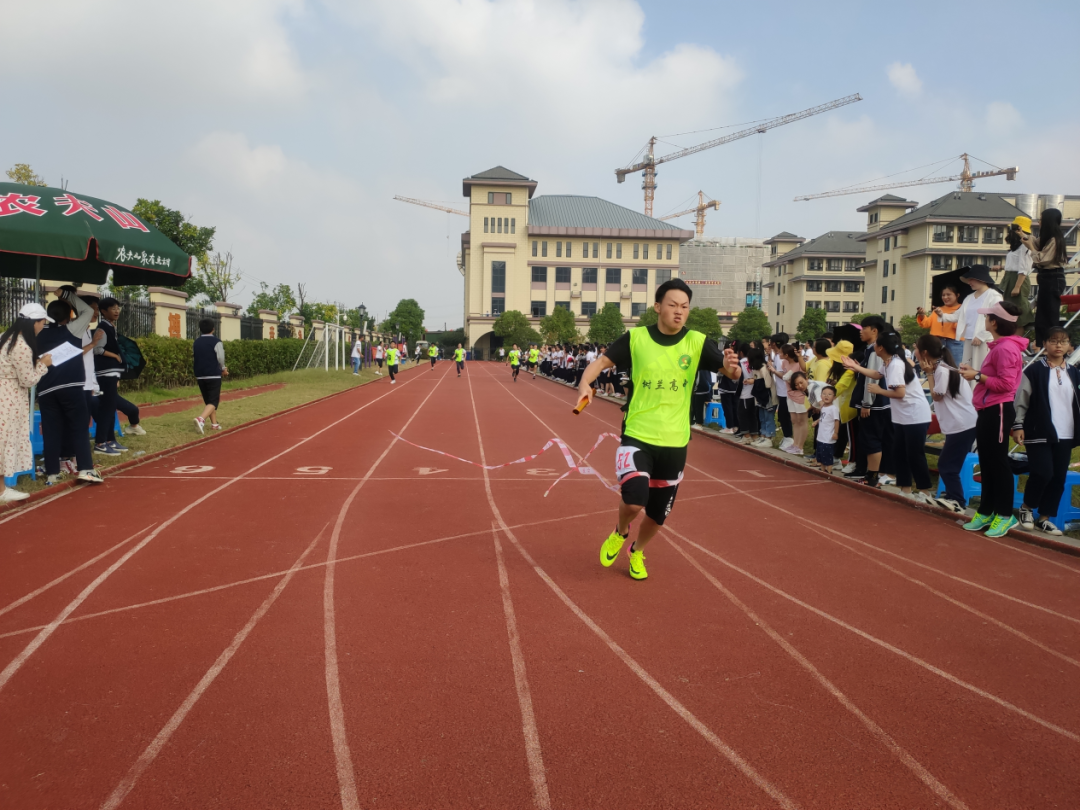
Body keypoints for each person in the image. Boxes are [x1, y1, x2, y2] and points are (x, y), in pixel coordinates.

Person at [580, 278, 739, 581]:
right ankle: (620, 531)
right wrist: (585, 383)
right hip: (638, 433)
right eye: (673, 305)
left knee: (656, 516)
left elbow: (732, 372)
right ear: (657, 307)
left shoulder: (697, 342)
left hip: (675, 441)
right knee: (634, 499)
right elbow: (601, 362)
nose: (679, 312)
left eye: (685, 307)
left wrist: (733, 368)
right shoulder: (636, 338)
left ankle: (637, 551)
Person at [958, 302, 1027, 537]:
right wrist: (976, 373)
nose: (985, 320)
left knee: (997, 463)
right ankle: (987, 511)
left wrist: (976, 375)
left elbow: (1008, 385)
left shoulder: (1005, 349)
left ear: (994, 322)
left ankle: (1005, 515)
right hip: (989, 409)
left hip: (998, 410)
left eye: (987, 317)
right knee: (987, 462)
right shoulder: (999, 347)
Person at [1011, 326, 1079, 536]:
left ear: (1069, 346)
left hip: (1066, 432)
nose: (1058, 345)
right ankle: (1027, 508)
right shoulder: (1034, 371)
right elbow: (1021, 399)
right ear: (1045, 344)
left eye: (1063, 341)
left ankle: (1045, 518)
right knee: (1042, 472)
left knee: (1058, 477)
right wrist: (1018, 425)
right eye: (1053, 340)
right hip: (1038, 429)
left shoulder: (1074, 372)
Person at [36, 297, 102, 485]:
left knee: (51, 431)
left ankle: (52, 474)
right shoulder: (71, 329)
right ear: (69, 315)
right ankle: (86, 469)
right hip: (71, 387)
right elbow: (88, 312)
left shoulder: (37, 333)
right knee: (79, 427)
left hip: (45, 388)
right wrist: (67, 294)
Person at [917, 335, 977, 514]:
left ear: (924, 352)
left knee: (946, 465)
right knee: (950, 464)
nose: (915, 351)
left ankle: (958, 500)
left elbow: (936, 395)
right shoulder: (941, 368)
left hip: (963, 424)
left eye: (916, 348)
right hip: (960, 424)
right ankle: (951, 496)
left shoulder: (941, 371)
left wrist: (928, 373)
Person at [868, 333, 933, 501]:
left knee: (915, 453)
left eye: (876, 344)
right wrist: (855, 367)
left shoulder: (896, 364)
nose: (874, 347)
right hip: (902, 416)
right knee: (900, 452)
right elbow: (876, 374)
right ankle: (906, 489)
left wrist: (879, 391)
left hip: (915, 415)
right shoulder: (888, 363)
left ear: (881, 347)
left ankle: (925, 491)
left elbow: (900, 393)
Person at [0, 304, 54, 502]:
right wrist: (42, 365)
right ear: (34, 322)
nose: (43, 327)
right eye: (42, 323)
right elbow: (28, 380)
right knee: (5, 441)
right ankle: (2, 491)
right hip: (10, 398)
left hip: (3, 392)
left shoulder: (4, 337)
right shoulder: (21, 345)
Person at [1020, 208, 1068, 347]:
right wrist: (1023, 235)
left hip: (1053, 277)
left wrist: (1031, 247)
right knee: (1042, 313)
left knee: (1050, 313)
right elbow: (1035, 243)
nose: (1039, 222)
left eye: (1041, 219)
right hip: (1046, 277)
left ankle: (1053, 344)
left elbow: (1042, 259)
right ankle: (1042, 344)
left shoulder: (1056, 239)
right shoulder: (1048, 237)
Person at [940, 265, 1003, 372]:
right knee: (966, 369)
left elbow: (997, 319)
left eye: (972, 279)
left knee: (980, 369)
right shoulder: (969, 297)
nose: (969, 282)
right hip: (969, 338)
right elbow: (958, 315)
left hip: (984, 340)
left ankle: (979, 389)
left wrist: (982, 336)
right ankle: (968, 389)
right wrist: (941, 315)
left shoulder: (994, 296)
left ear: (981, 279)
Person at [92, 297, 127, 455]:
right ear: (103, 312)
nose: (116, 311)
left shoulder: (110, 326)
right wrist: (114, 355)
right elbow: (97, 349)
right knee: (106, 407)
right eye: (112, 308)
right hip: (104, 373)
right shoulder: (102, 328)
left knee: (111, 407)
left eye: (117, 308)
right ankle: (100, 442)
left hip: (111, 373)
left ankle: (110, 440)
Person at [992, 216, 1034, 332]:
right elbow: (1015, 264)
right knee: (1005, 309)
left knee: (1017, 311)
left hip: (1018, 279)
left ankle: (1016, 340)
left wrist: (1017, 286)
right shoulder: (1016, 247)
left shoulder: (1024, 246)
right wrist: (1001, 267)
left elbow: (1024, 268)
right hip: (1009, 277)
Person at [824, 340, 857, 470]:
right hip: (844, 408)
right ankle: (837, 457)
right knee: (843, 434)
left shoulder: (850, 371)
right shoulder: (846, 371)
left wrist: (828, 396)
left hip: (851, 410)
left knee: (852, 437)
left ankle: (853, 461)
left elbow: (842, 386)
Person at [193, 318, 227, 433]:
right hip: (213, 374)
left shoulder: (196, 342)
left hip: (200, 375)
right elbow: (220, 358)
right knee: (213, 401)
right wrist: (223, 368)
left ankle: (214, 424)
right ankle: (201, 419)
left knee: (209, 401)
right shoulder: (216, 342)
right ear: (213, 329)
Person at [917, 285, 963, 363]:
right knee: (936, 366)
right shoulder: (938, 310)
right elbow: (926, 324)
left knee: (955, 367)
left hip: (955, 342)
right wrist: (922, 315)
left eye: (948, 294)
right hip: (936, 342)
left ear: (957, 295)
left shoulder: (962, 308)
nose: (945, 297)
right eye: (943, 295)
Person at [807, 385, 839, 469]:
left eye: (829, 394)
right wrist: (816, 421)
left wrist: (835, 433)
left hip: (828, 437)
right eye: (824, 394)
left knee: (827, 454)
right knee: (820, 454)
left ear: (834, 397)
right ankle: (822, 469)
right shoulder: (823, 407)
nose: (826, 396)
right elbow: (823, 417)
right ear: (821, 396)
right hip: (821, 435)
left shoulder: (833, 409)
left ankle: (829, 471)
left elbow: (836, 421)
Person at [783, 371, 810, 455]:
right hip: (790, 395)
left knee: (802, 421)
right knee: (794, 421)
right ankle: (795, 444)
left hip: (801, 397)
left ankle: (800, 447)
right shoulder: (784, 362)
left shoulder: (799, 363)